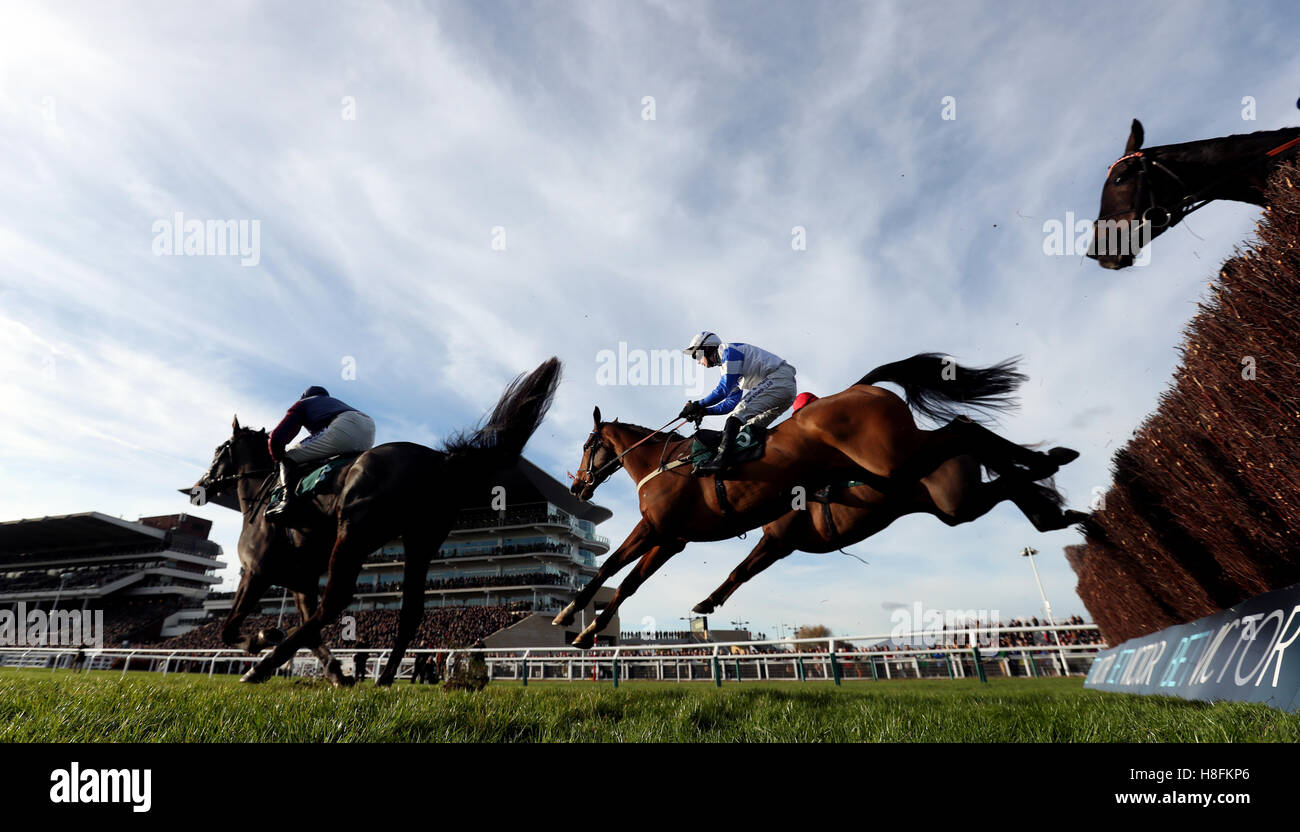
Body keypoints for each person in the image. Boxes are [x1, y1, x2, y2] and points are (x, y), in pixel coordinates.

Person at [678, 332, 797, 474]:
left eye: (697, 356)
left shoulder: (727, 351)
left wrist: (698, 404)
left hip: (778, 379)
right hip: (784, 390)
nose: (698, 361)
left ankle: (721, 460)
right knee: (745, 429)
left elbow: (723, 390)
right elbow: (730, 403)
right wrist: (705, 411)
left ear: (708, 348)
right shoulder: (727, 369)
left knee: (736, 417)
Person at [265, 386, 376, 519]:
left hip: (344, 426)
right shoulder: (334, 403)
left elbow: (277, 437)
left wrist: (276, 456)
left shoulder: (303, 403)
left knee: (287, 458)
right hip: (369, 427)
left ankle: (286, 500)